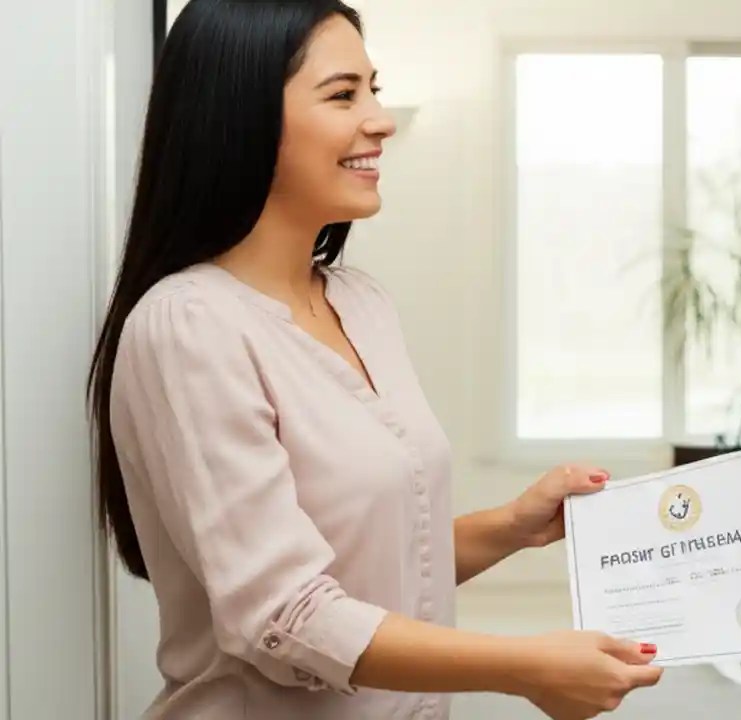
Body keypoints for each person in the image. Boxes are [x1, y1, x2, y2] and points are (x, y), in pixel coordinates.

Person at [87, 2, 660, 718]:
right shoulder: (189, 326)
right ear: (240, 117)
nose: (381, 119)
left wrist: (511, 526)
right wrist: (524, 666)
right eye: (343, 94)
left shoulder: (360, 302)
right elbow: (288, 614)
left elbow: (375, 567)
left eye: (374, 89)